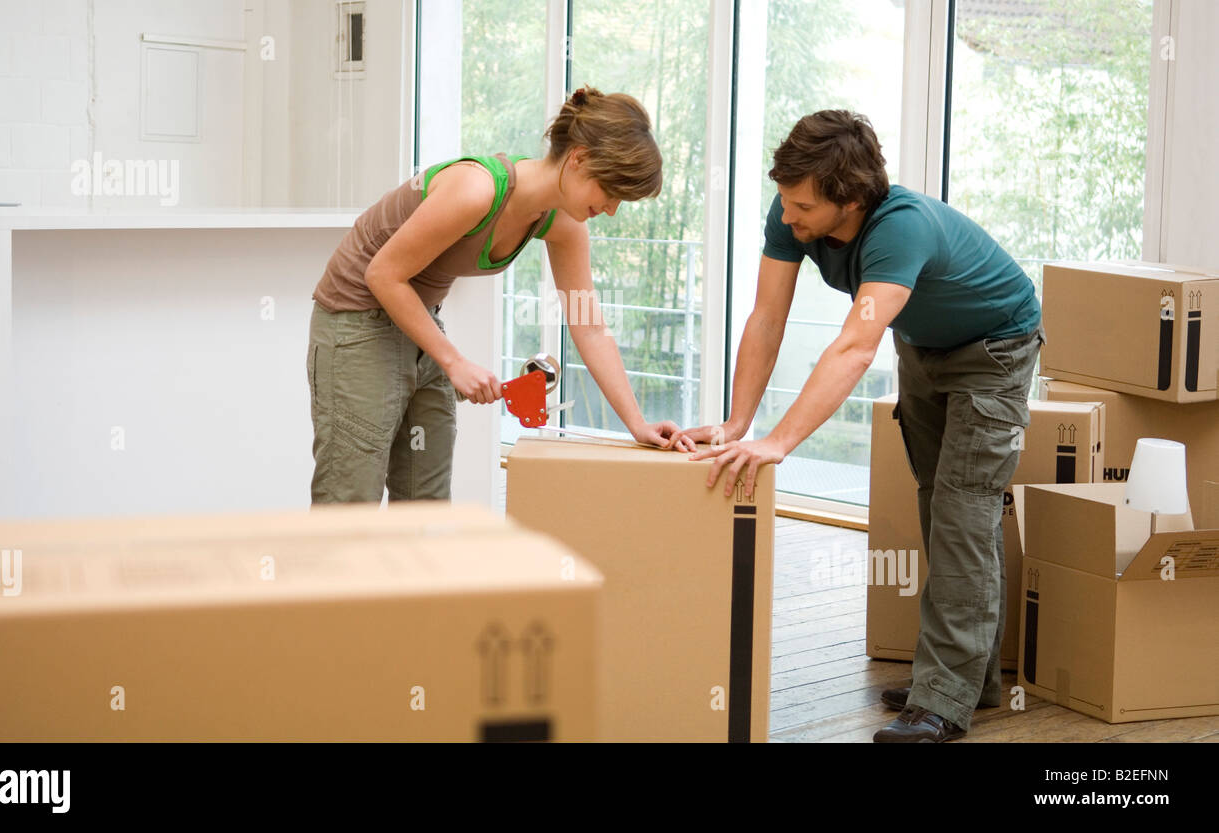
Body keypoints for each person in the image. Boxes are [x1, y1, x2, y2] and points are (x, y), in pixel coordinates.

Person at [670, 109, 1043, 743]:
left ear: (849, 199)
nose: (788, 217)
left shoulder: (901, 230)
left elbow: (853, 348)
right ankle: (966, 677)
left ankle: (944, 699)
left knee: (963, 512)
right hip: (923, 347)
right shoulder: (792, 210)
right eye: (785, 201)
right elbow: (766, 317)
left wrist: (779, 443)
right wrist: (738, 424)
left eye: (803, 207)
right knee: (938, 505)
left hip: (994, 351)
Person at [307, 86, 694, 505]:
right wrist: (453, 361)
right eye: (611, 191)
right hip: (355, 324)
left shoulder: (563, 224)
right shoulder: (477, 189)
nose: (613, 208)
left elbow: (590, 325)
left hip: (418, 322)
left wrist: (636, 425)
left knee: (426, 501)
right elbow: (383, 274)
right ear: (579, 158)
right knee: (349, 504)